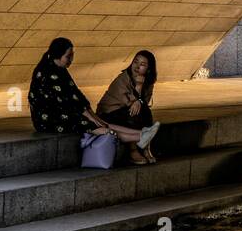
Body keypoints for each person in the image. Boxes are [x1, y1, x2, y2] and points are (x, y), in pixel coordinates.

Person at [28, 37, 161, 157]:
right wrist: (90, 116)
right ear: (58, 55)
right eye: (68, 56)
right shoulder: (48, 73)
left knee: (102, 122)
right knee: (93, 125)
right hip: (50, 118)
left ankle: (143, 135)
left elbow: (75, 93)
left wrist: (92, 114)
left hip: (66, 111)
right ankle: (140, 137)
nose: (71, 59)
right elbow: (67, 101)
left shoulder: (59, 68)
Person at [96, 50, 160, 164]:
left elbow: (144, 102)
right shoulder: (122, 79)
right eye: (135, 62)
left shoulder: (148, 82)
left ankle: (146, 148)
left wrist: (140, 91)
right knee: (135, 112)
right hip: (108, 114)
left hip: (125, 113)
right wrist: (138, 87)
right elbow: (129, 103)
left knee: (145, 111)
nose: (137, 66)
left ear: (148, 69)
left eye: (142, 64)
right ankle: (133, 151)